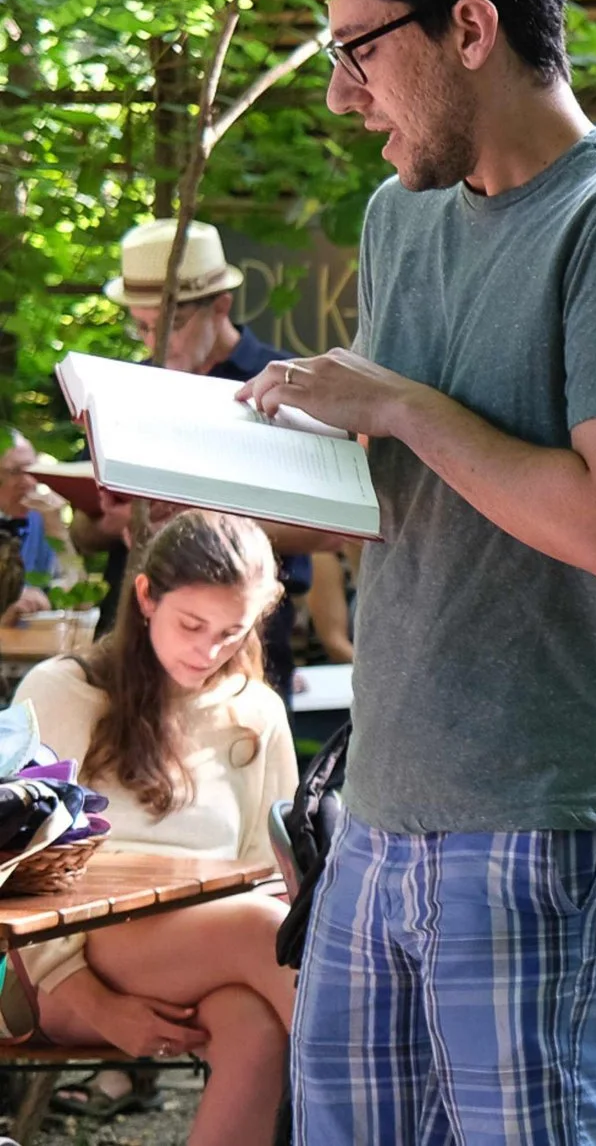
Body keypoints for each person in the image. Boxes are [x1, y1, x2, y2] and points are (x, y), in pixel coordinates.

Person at [236, 0, 596, 1139]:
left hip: (558, 809)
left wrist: (400, 402)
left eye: (358, 51)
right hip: (385, 796)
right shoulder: (401, 213)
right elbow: (409, 497)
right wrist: (230, 479)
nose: (345, 98)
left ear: (470, 27)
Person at [9, 510, 300, 1145]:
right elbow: (11, 867)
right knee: (271, 932)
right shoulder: (67, 690)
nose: (209, 649)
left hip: (216, 945)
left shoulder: (257, 710)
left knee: (253, 1030)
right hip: (55, 957)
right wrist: (90, 999)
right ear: (145, 597)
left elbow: (272, 869)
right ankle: (383, 1117)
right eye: (191, 625)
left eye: (232, 631)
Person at [81, 217, 325, 708]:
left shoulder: (285, 385)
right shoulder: (126, 390)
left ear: (221, 306)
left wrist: (198, 518)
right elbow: (81, 533)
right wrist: (113, 520)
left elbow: (328, 531)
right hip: (129, 631)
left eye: (172, 325)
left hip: (242, 638)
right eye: (144, 326)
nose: (155, 343)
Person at [1, 429, 61, 624]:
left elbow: (82, 598)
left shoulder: (43, 519)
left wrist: (59, 532)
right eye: (16, 472)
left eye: (33, 471)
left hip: (31, 646)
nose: (28, 482)